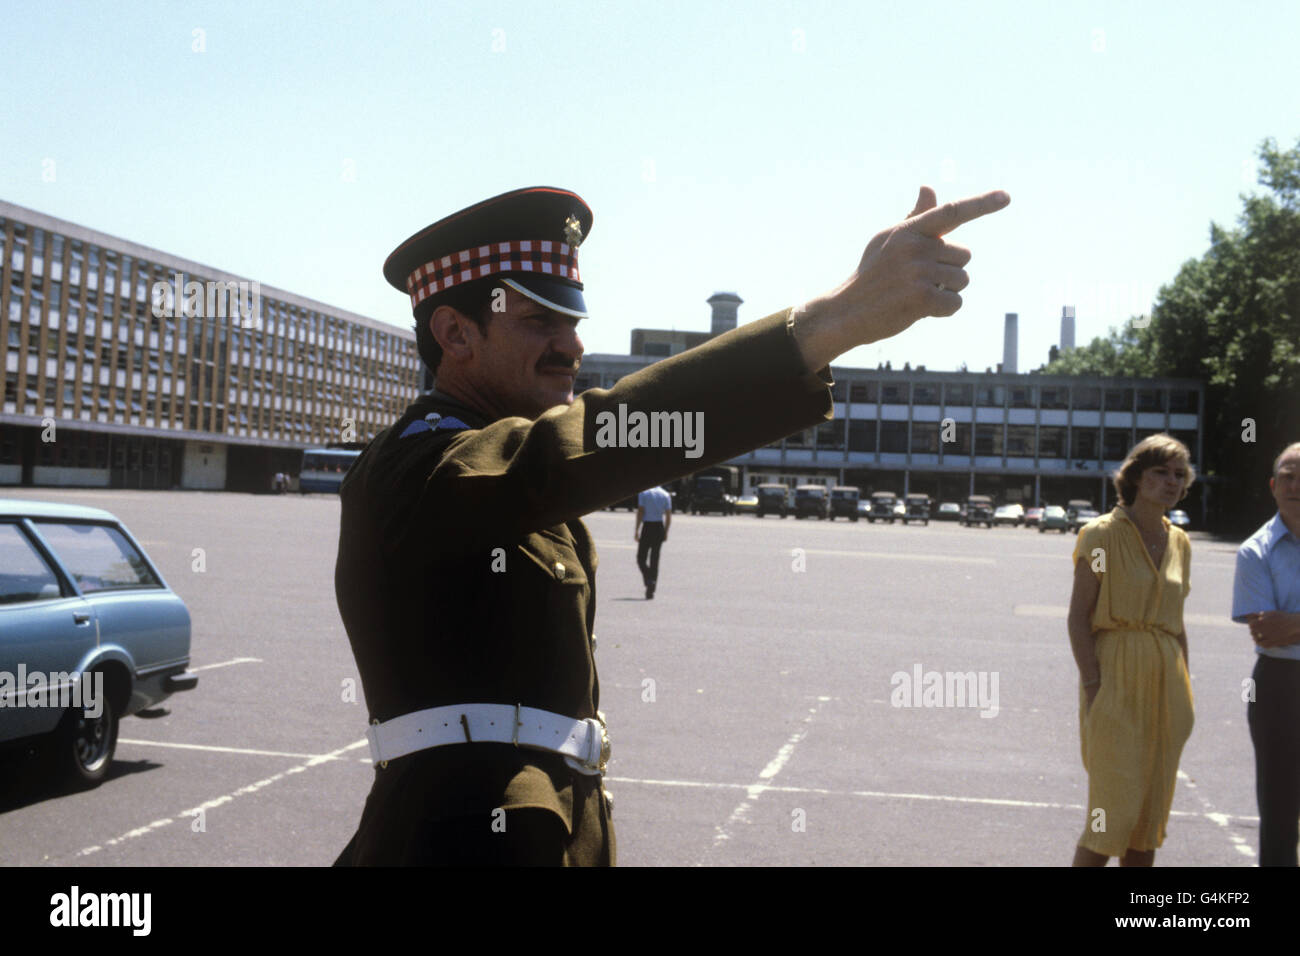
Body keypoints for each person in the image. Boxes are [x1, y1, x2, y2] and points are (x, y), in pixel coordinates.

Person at [332, 183, 1010, 866]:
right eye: (541, 322)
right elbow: (587, 444)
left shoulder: (501, 472)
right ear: (455, 333)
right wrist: (835, 320)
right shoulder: (418, 468)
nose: (572, 344)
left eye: (572, 321)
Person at [1067, 434, 1196, 866]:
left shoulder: (1180, 542)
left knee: (1148, 820)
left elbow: (1176, 623)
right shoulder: (1101, 536)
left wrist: (1186, 689)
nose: (1171, 481)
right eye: (1160, 472)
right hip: (1114, 676)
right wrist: (1094, 684)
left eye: (1179, 474)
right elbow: (1079, 618)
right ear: (1137, 477)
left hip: (1167, 684)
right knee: (1109, 816)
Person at [1232, 441, 1300, 866]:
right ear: (1274, 486)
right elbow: (1265, 632)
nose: (1296, 486)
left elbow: (1281, 627)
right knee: (1278, 814)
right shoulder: (1254, 550)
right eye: (1288, 477)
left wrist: (1291, 622)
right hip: (1278, 686)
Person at [635, 485, 672, 599]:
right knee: (654, 559)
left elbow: (641, 511)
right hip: (658, 526)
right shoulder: (665, 494)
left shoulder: (644, 493)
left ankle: (648, 578)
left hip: (647, 526)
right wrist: (665, 531)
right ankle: (652, 585)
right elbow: (668, 516)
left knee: (641, 558)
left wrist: (637, 529)